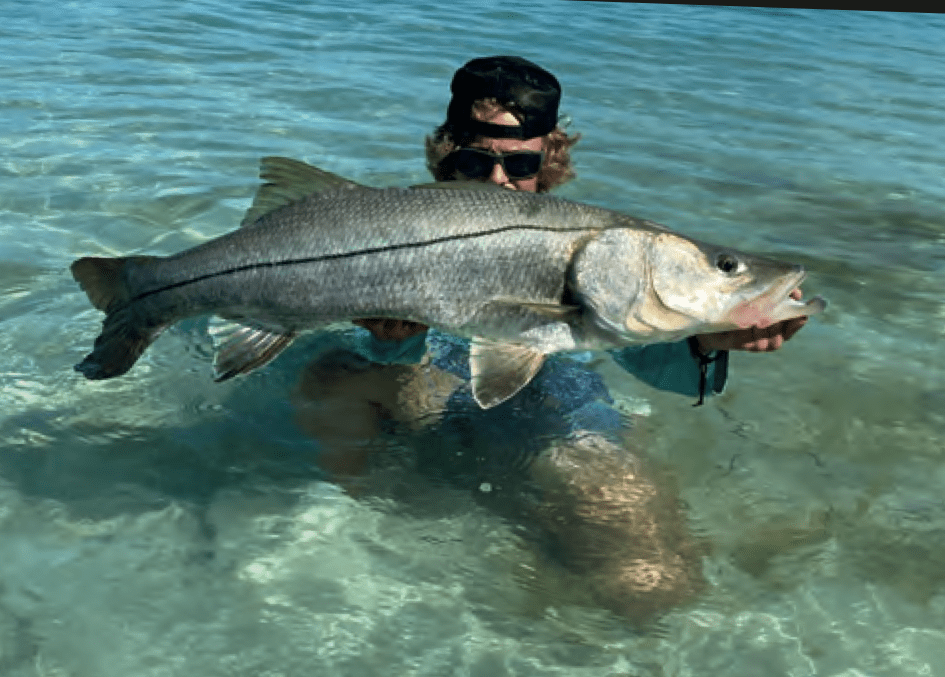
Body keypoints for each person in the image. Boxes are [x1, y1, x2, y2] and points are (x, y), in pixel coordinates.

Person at [294, 56, 809, 621]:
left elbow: (631, 339)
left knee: (652, 581)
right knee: (329, 375)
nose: (497, 179)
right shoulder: (395, 226)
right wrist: (388, 338)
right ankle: (356, 545)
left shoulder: (593, 241)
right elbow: (344, 328)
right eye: (474, 160)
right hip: (425, 389)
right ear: (445, 160)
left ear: (549, 165)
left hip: (552, 402)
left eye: (519, 163)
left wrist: (709, 343)